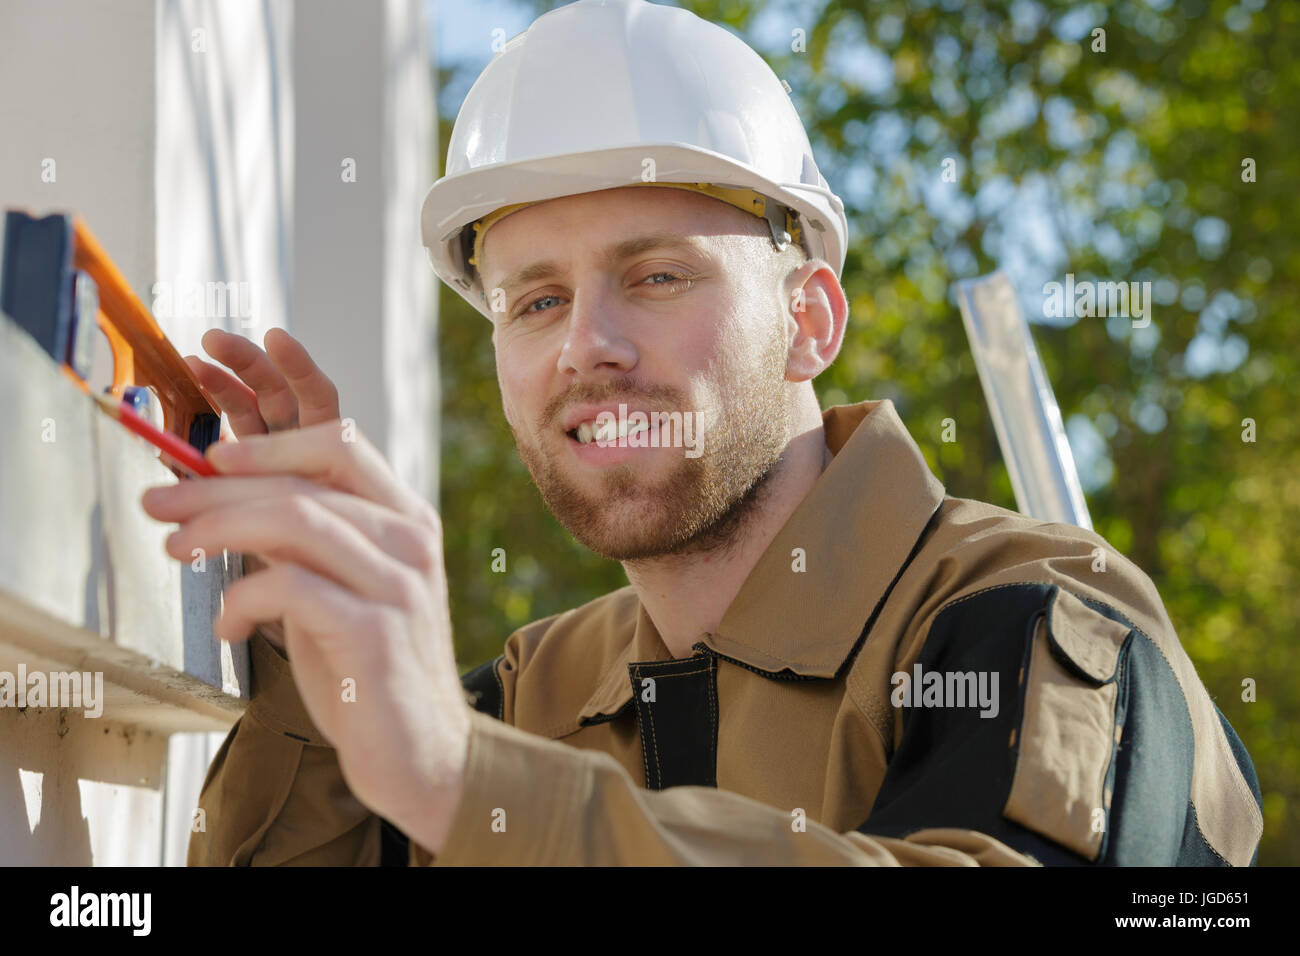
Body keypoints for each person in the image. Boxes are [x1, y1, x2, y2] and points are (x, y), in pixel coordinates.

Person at [164, 0, 1262, 865]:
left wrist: (468, 782)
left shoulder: (1035, 622)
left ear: (810, 318)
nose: (586, 345)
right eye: (534, 301)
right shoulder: (531, 691)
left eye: (655, 275)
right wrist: (313, 658)